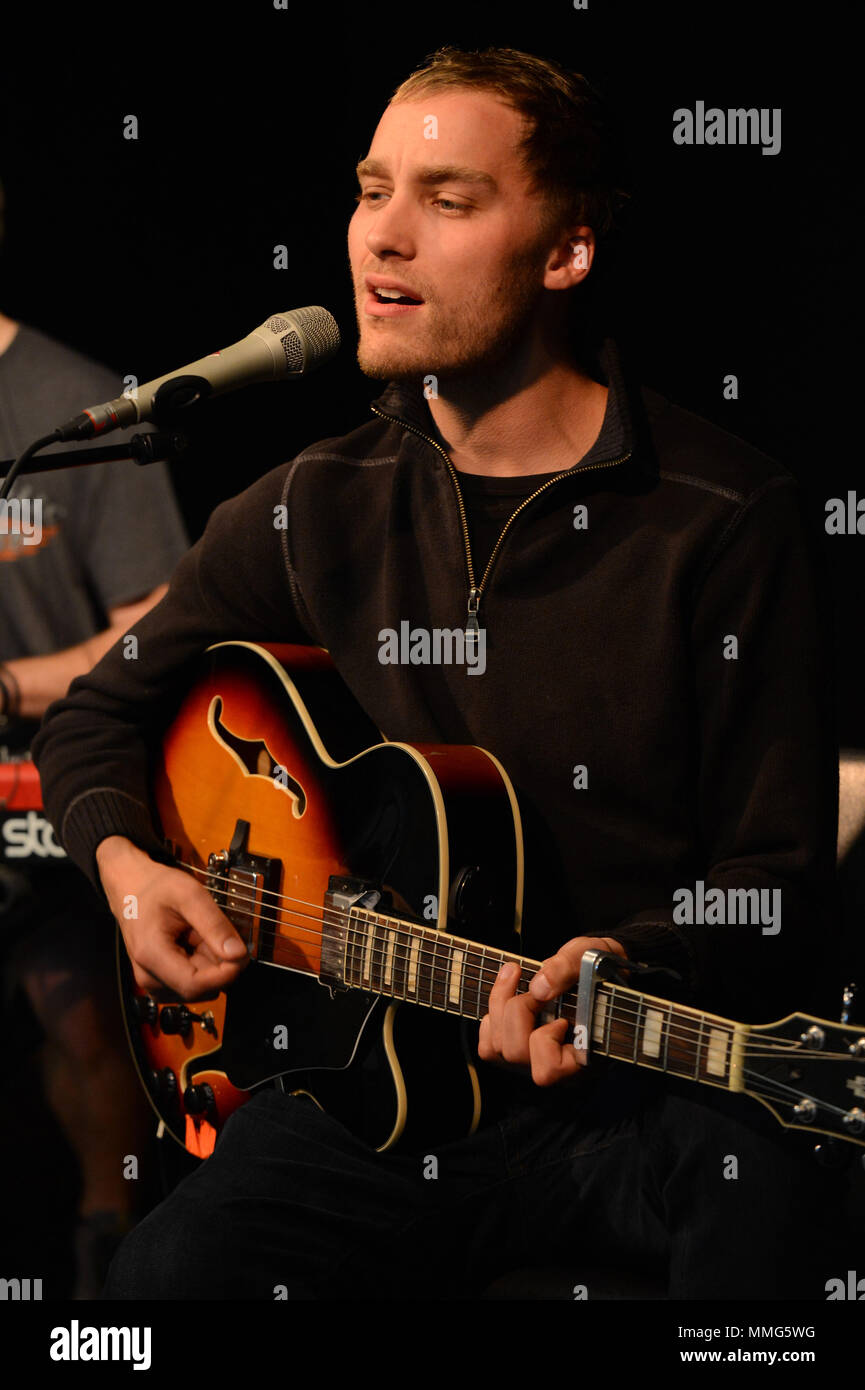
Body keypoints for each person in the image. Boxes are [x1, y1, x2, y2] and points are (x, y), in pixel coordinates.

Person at [32, 47, 843, 1300]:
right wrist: (128, 873)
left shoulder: (722, 515)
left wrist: (627, 959)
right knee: (156, 1290)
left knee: (763, 1238)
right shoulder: (320, 499)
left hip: (635, 1094)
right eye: (371, 191)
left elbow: (774, 877)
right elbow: (99, 714)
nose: (382, 240)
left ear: (566, 252)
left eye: (448, 202)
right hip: (372, 1094)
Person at [0, 214, 190, 1294]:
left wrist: (11, 688)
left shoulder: (80, 408)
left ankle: (105, 1266)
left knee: (80, 1018)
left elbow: (149, 624)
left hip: (48, 781)